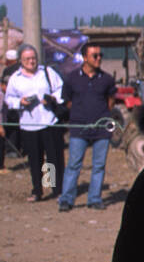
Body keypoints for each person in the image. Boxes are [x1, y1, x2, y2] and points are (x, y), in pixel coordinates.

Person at [3, 44, 66, 202]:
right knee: (35, 159)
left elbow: (60, 89)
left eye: (33, 58)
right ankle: (37, 190)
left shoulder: (47, 72)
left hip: (49, 121)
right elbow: (8, 99)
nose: (31, 61)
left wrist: (52, 98)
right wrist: (20, 102)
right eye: (27, 59)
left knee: (52, 158)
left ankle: (55, 189)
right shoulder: (15, 79)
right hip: (28, 124)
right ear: (20, 61)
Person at [57, 44, 116, 211]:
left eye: (100, 55)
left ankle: (94, 199)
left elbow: (111, 100)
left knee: (99, 165)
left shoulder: (106, 79)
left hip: (101, 129)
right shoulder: (71, 78)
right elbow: (68, 101)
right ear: (84, 58)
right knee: (74, 164)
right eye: (94, 55)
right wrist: (81, 114)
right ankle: (67, 199)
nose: (99, 58)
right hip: (78, 128)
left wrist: (101, 116)